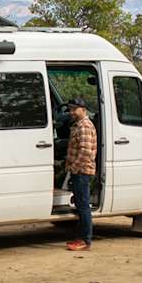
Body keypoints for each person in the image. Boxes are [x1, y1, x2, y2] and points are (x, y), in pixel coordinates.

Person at [63, 97, 96, 251]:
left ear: (83, 109)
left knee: (83, 206)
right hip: (79, 170)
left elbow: (85, 152)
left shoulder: (85, 127)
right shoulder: (78, 125)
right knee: (80, 204)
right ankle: (81, 237)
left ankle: (86, 240)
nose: (71, 112)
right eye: (70, 109)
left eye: (74, 109)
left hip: (82, 171)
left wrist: (74, 167)